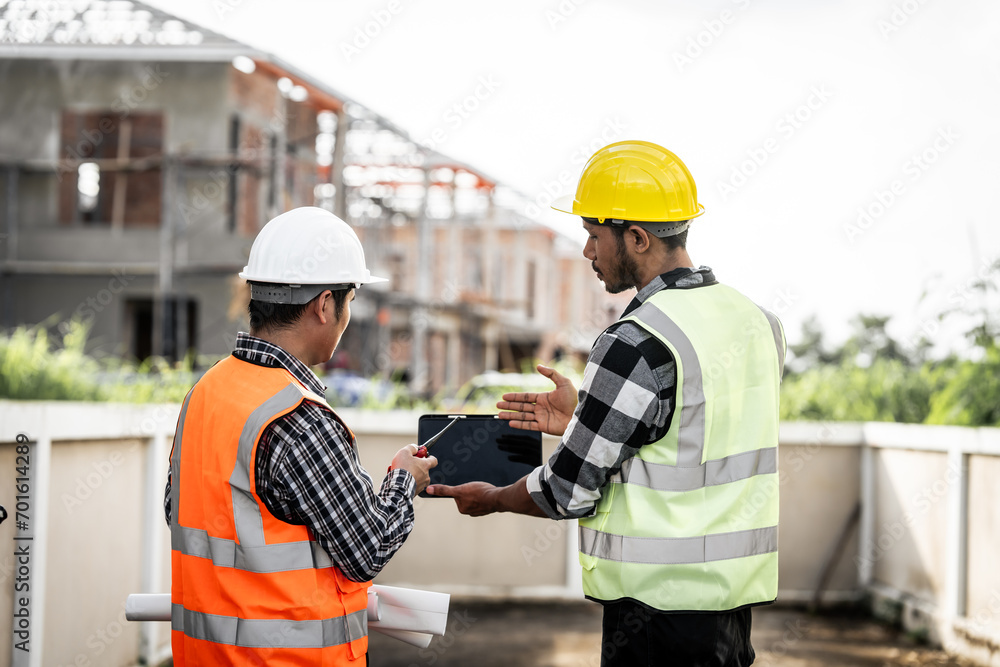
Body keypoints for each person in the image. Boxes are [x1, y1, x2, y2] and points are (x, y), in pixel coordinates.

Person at [428, 141, 785, 666]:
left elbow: (567, 491)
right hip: (730, 615)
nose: (587, 253)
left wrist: (494, 496)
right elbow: (693, 435)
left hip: (655, 619)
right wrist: (585, 420)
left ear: (636, 238)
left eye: (594, 237)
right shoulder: (761, 324)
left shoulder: (634, 341)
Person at [164, 206, 437, 665]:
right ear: (325, 304)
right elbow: (366, 549)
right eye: (350, 302)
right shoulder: (299, 419)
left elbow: (182, 515)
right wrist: (403, 479)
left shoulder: (205, 393)